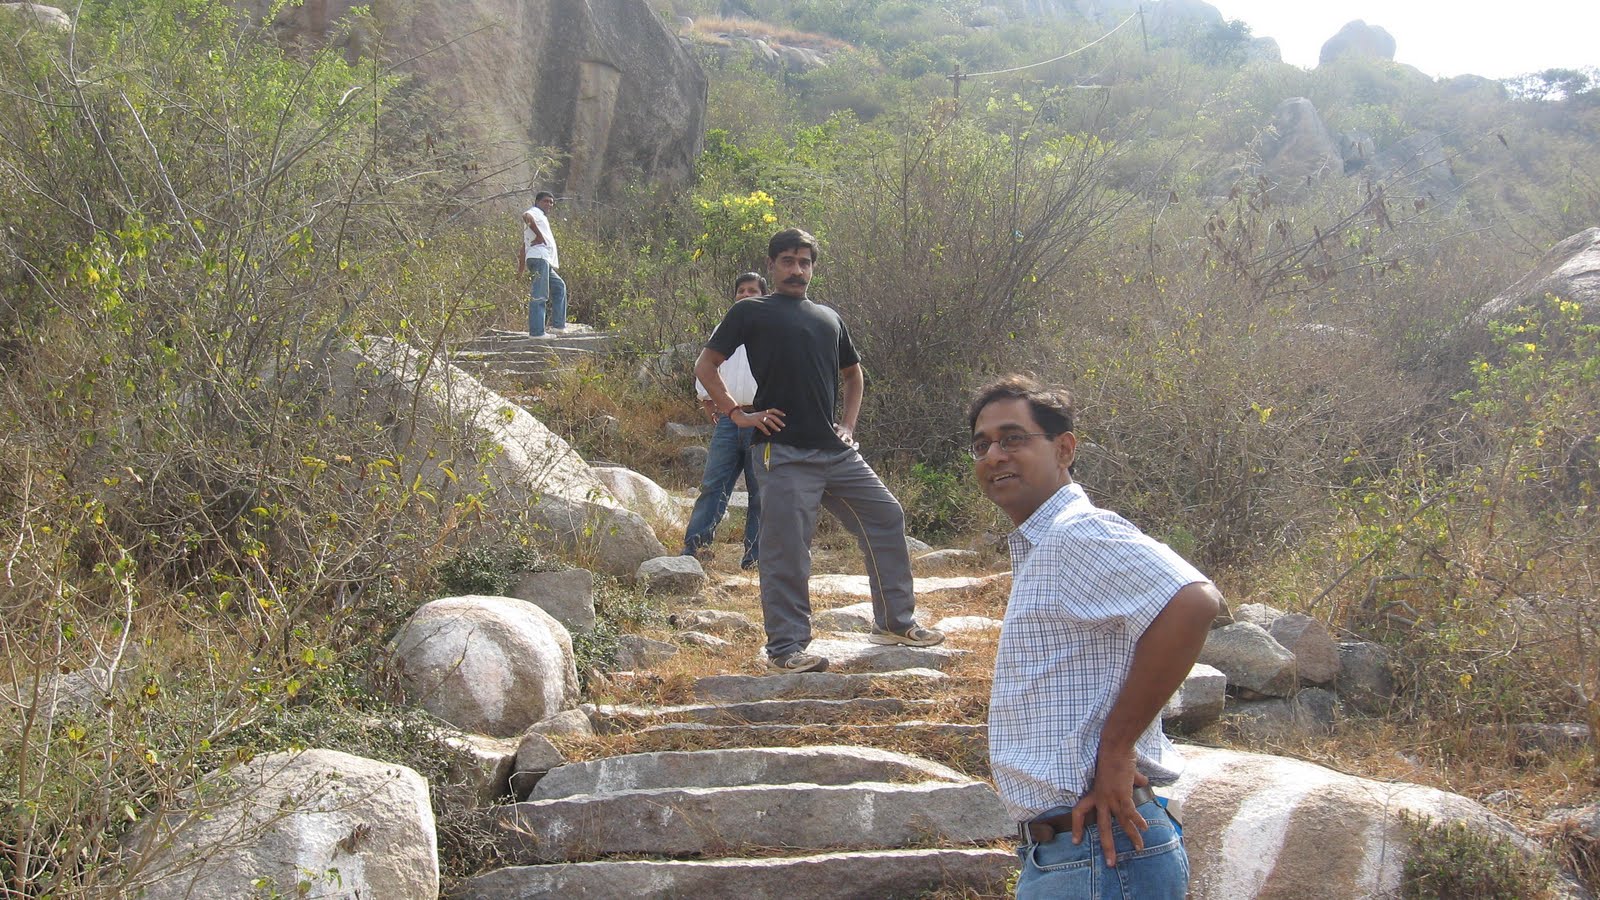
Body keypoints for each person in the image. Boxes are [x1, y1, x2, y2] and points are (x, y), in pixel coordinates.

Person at [966, 374, 1222, 900]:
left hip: (1101, 856)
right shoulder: (1046, 544)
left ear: (1064, 449)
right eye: (982, 444)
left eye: (1013, 438)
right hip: (1073, 855)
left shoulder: (1076, 534)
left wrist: (1118, 746)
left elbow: (1193, 601)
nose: (994, 455)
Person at [694, 228, 944, 674]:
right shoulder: (750, 311)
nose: (797, 269)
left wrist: (848, 425)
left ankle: (894, 622)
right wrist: (736, 414)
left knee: (886, 515)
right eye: (788, 261)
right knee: (787, 548)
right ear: (772, 266)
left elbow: (854, 375)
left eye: (805, 262)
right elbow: (705, 365)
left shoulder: (829, 317)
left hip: (835, 451)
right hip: (782, 450)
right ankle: (787, 648)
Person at [681, 272, 768, 570]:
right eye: (741, 291)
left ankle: (755, 558)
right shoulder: (724, 329)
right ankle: (696, 548)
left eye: (753, 291)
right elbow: (706, 372)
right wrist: (711, 405)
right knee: (714, 484)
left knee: (761, 491)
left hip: (762, 420)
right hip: (731, 419)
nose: (746, 295)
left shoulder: (775, 330)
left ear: (764, 296)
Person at [516, 191, 567, 337]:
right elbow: (526, 216)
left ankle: (558, 326)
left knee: (559, 287)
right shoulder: (535, 212)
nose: (549, 204)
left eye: (551, 202)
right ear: (537, 202)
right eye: (546, 201)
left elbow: (524, 247)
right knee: (539, 294)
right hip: (540, 258)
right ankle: (537, 332)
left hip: (541, 259)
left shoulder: (541, 219)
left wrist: (520, 270)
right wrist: (539, 236)